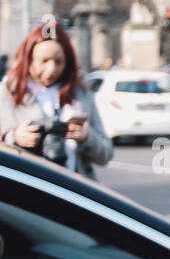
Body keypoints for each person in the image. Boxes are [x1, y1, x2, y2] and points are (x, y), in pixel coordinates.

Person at [0, 19, 112, 180]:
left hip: (75, 192)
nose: (51, 69)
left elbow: (106, 154)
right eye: (44, 61)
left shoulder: (80, 93)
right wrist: (14, 137)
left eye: (59, 61)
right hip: (25, 193)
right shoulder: (8, 92)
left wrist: (86, 136)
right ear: (28, 59)